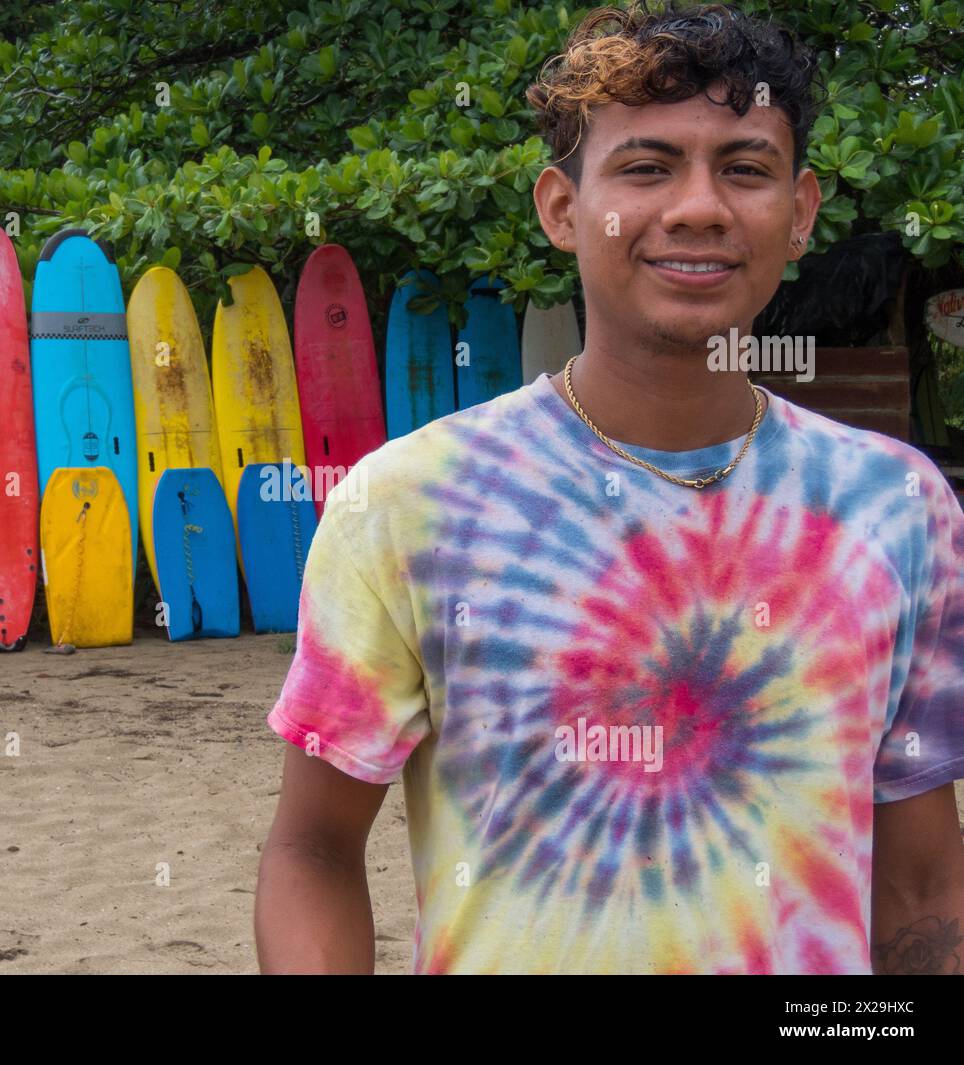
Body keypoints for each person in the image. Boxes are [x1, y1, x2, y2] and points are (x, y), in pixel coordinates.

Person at [254, 0, 964, 974]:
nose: (700, 207)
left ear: (799, 214)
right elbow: (314, 848)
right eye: (646, 166)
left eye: (744, 168)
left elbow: (922, 884)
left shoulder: (895, 506)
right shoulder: (410, 504)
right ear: (560, 208)